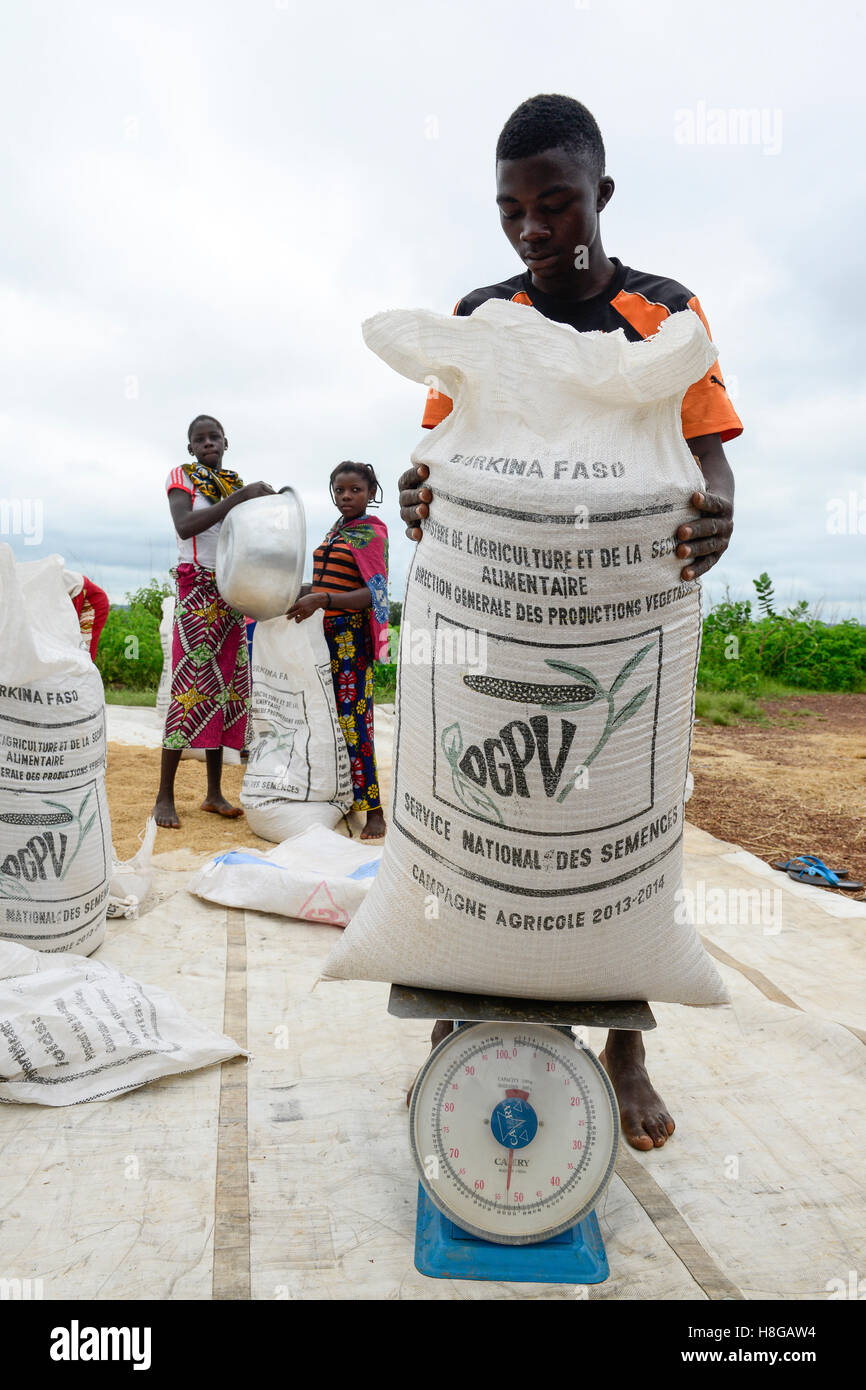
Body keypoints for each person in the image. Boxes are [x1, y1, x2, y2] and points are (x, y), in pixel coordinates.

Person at [398, 94, 742, 1151]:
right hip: (493, 609)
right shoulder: (481, 313)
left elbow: (708, 451)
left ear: (600, 194)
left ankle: (623, 1044)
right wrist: (417, 496)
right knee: (480, 786)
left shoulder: (662, 309)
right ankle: (456, 1009)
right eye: (511, 211)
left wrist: (718, 511)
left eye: (554, 204)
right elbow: (436, 459)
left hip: (617, 619)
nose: (534, 231)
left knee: (613, 801)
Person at [152, 414, 274, 829]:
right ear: (190, 448)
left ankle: (213, 793)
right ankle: (163, 797)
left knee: (228, 693)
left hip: (231, 595)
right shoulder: (182, 477)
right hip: (196, 596)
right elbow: (184, 526)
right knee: (189, 690)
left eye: (214, 437)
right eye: (199, 439)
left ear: (226, 442)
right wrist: (239, 499)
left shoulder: (234, 484)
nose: (207, 443)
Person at [287, 461, 389, 840]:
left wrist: (324, 598)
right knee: (322, 718)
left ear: (371, 493)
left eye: (356, 490)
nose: (347, 496)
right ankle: (338, 795)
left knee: (354, 721)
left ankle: (374, 811)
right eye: (340, 490)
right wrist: (291, 593)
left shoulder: (372, 533)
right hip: (323, 633)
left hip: (351, 637)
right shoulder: (335, 532)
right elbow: (323, 581)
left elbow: (374, 592)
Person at [62, 569, 109, 658]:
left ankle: (85, 671)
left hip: (93, 603)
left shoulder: (72, 584)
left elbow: (70, 627)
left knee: (84, 651)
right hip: (75, 597)